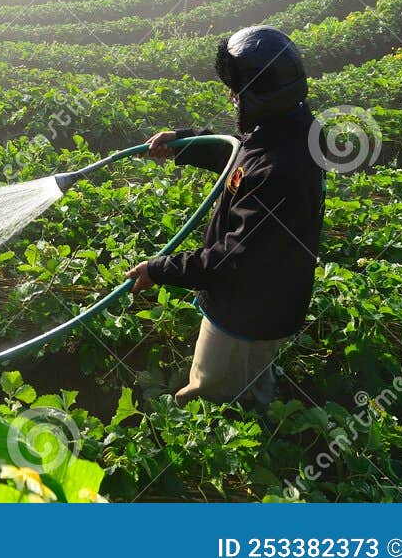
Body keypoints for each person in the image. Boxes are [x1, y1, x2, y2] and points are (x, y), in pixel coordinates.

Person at [124, 25, 325, 406]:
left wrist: (160, 269)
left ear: (262, 96)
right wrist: (184, 143)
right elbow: (237, 157)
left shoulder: (282, 170)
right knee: (249, 373)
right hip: (261, 304)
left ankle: (236, 436)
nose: (232, 98)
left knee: (215, 390)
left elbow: (235, 259)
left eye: (239, 91)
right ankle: (257, 394)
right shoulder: (288, 128)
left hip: (249, 311)